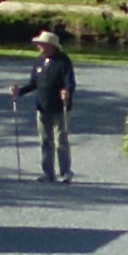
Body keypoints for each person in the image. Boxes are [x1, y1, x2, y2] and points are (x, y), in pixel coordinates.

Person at [9, 29, 77, 182]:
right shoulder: (39, 61)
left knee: (61, 141)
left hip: (60, 108)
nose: (38, 47)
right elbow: (34, 83)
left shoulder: (63, 61)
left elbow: (70, 82)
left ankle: (65, 172)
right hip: (42, 107)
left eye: (41, 44)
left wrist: (67, 91)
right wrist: (19, 91)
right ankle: (48, 173)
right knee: (45, 141)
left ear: (50, 46)